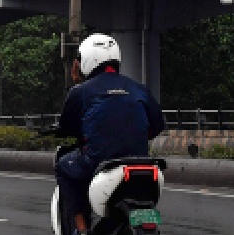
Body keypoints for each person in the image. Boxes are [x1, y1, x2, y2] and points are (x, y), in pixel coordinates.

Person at [55, 33, 165, 235]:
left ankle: (81, 229)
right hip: (143, 162)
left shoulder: (81, 91)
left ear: (87, 59)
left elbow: (67, 127)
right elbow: (157, 125)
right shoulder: (139, 88)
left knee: (63, 165)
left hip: (100, 160)